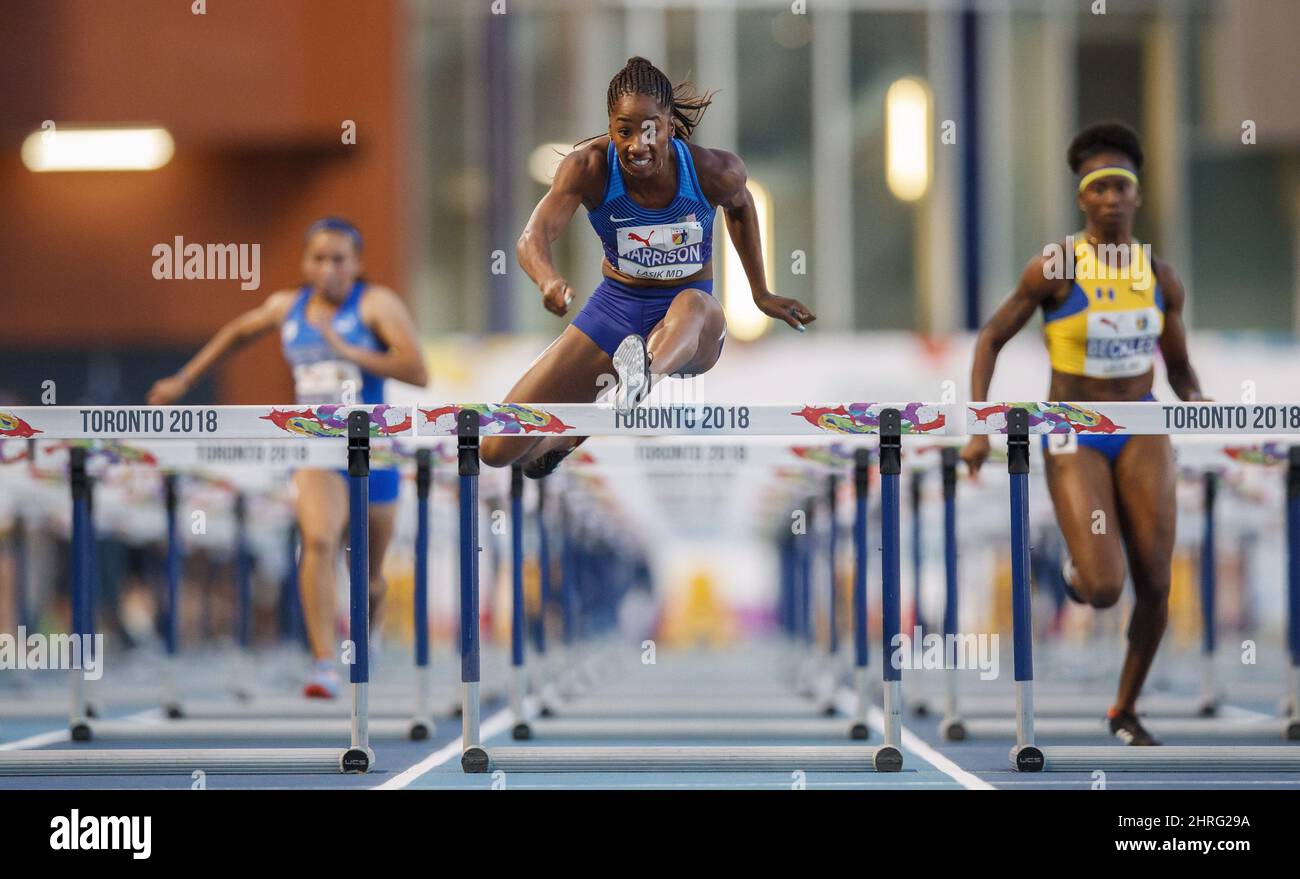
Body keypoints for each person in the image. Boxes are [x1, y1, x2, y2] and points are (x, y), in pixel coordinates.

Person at [960, 121, 1207, 745]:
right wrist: (980, 426)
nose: (1114, 197)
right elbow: (990, 338)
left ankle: (1123, 708)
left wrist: (1202, 402)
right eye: (1101, 187)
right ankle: (1075, 572)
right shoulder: (1056, 267)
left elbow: (1178, 368)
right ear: (1083, 199)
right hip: (1073, 429)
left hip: (1143, 425)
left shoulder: (1160, 277)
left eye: (1124, 185)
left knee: (1155, 582)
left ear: (1138, 196)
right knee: (1103, 588)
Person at [480, 56, 816, 476]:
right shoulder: (587, 168)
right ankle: (567, 436)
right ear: (610, 128)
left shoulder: (713, 170)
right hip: (616, 310)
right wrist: (548, 281)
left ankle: (641, 378)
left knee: (692, 305)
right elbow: (532, 237)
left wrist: (761, 293)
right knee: (497, 449)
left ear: (670, 126)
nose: (638, 144)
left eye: (650, 129)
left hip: (691, 321)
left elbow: (742, 208)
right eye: (624, 131)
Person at [147, 218, 428, 697]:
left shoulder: (376, 304)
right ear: (304, 263)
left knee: (371, 580)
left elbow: (417, 372)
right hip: (316, 448)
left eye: (339, 260)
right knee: (318, 542)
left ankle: (368, 636)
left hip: (374, 447)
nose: (328, 269)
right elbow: (237, 333)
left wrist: (346, 349)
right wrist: (183, 379)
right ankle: (322, 662)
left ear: (356, 265)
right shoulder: (287, 306)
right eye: (318, 259)